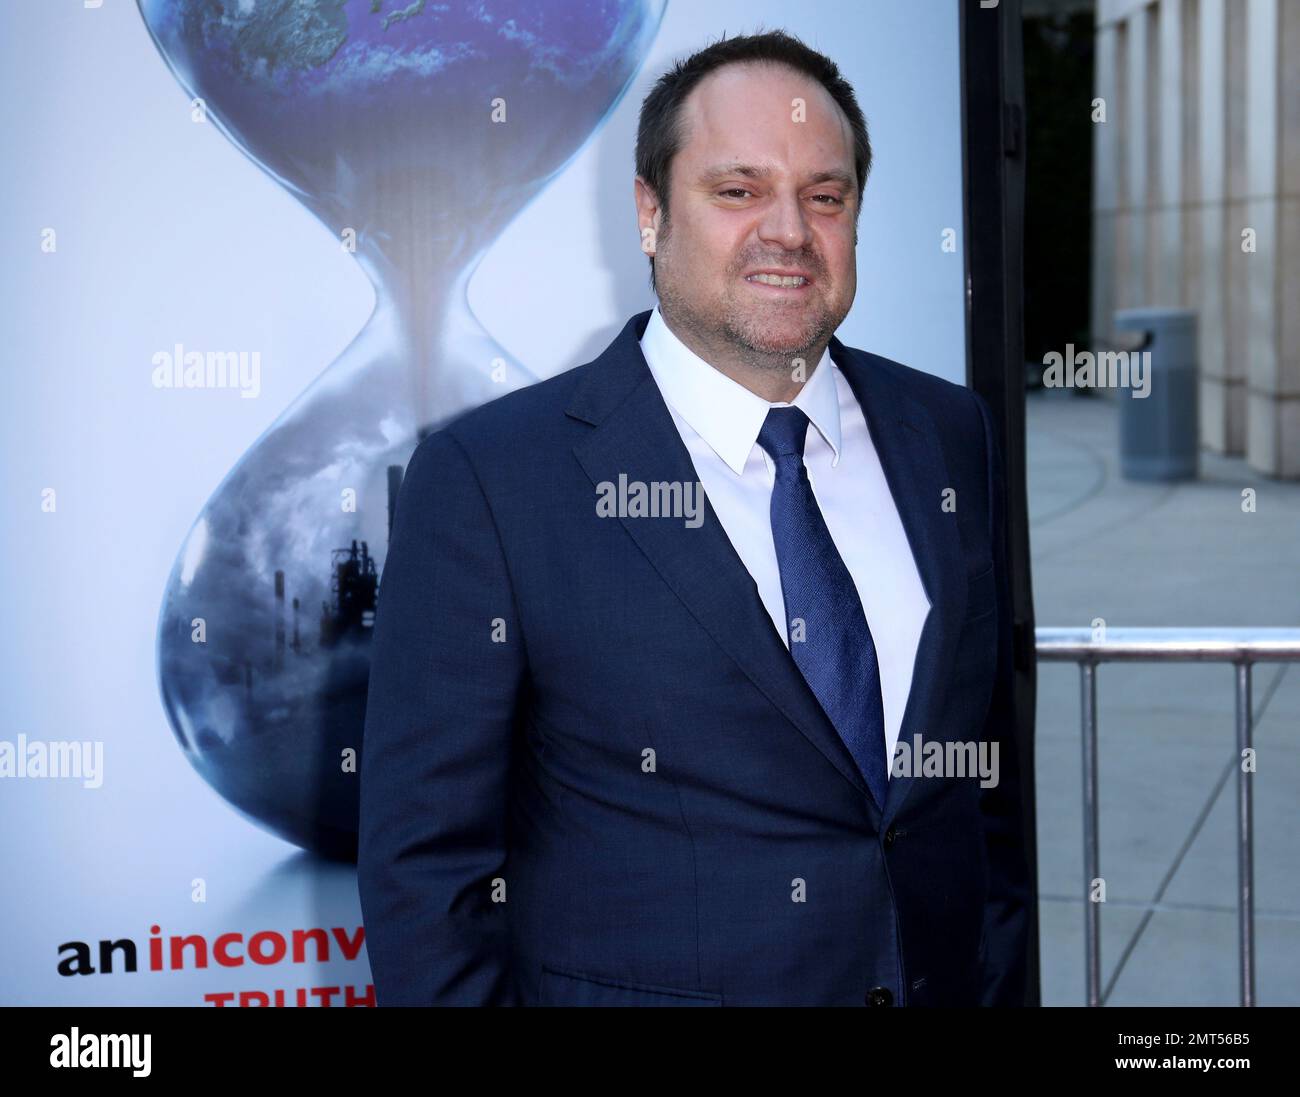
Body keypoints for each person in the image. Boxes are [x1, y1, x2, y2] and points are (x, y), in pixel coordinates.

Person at [357, 29, 1032, 1007]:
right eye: (738, 189)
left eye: (824, 195)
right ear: (648, 213)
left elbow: (983, 798)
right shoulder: (491, 479)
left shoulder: (947, 430)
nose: (790, 231)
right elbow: (428, 875)